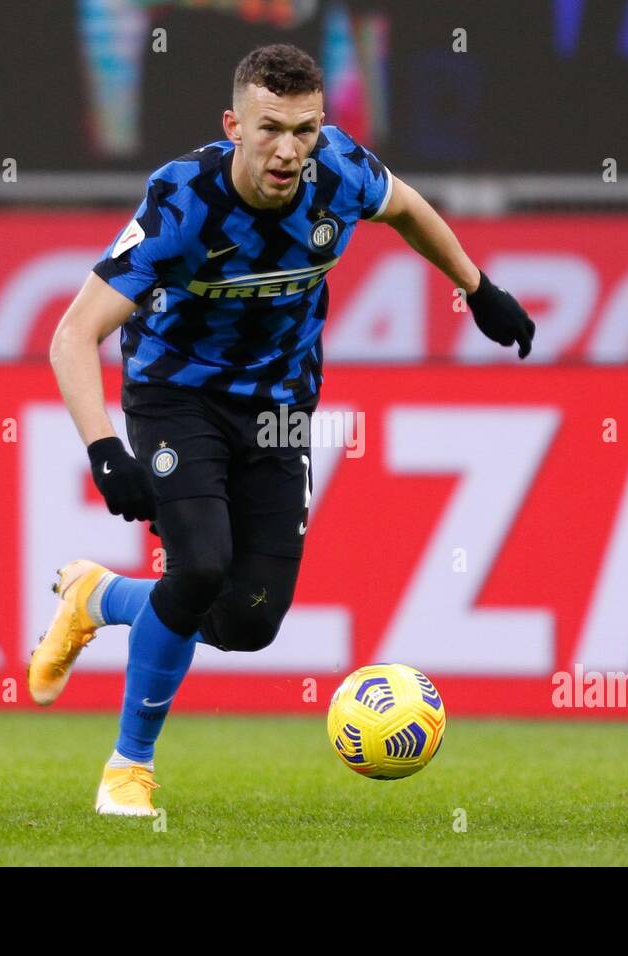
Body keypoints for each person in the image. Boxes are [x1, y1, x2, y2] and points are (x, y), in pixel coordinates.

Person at [35, 43, 534, 815]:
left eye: (304, 130)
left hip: (277, 410)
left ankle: (100, 598)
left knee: (249, 622)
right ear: (234, 124)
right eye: (270, 128)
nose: (288, 150)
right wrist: (105, 451)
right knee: (199, 567)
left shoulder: (339, 172)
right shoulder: (181, 202)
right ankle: (128, 767)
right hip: (178, 399)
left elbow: (404, 205)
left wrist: (479, 289)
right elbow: (73, 334)